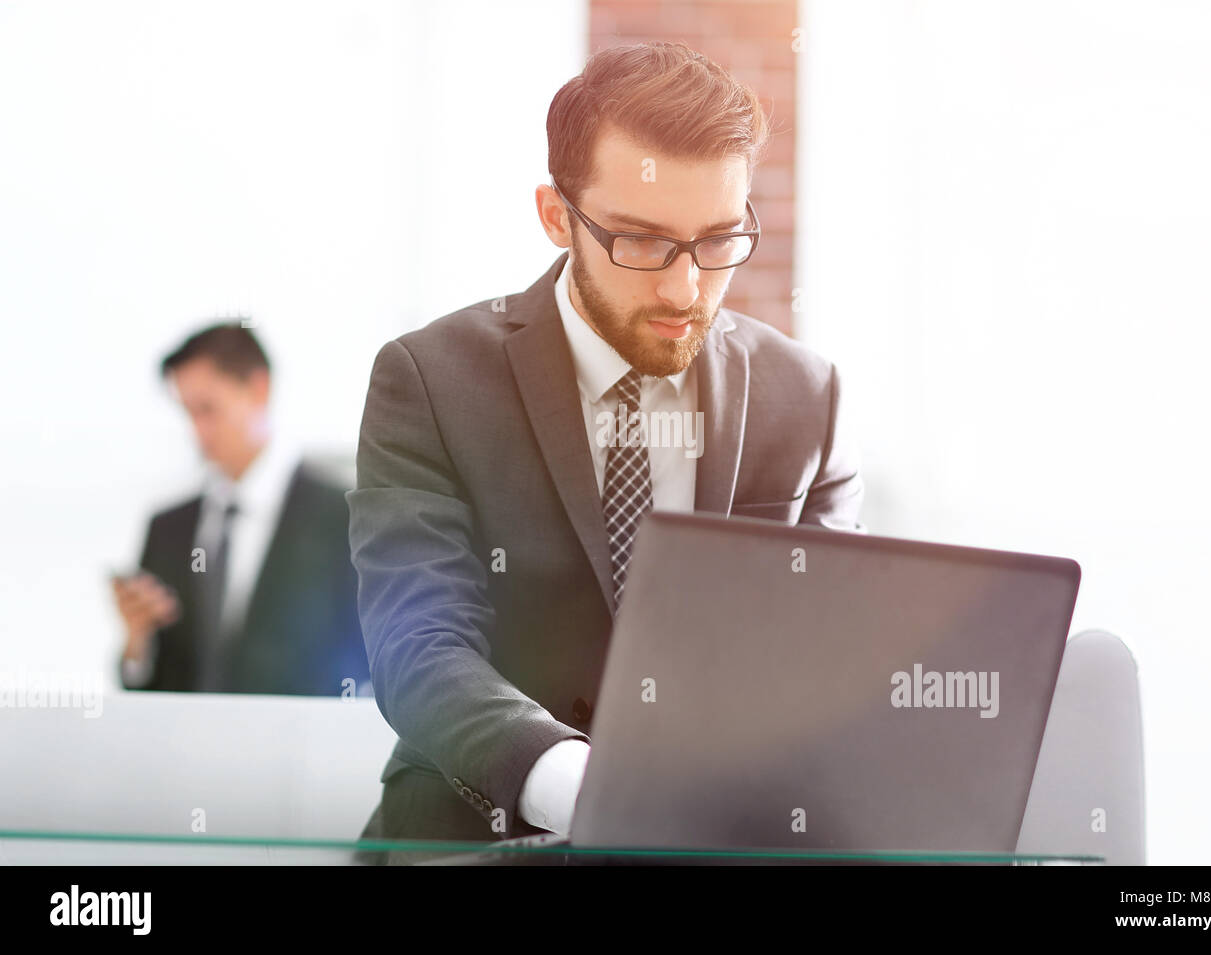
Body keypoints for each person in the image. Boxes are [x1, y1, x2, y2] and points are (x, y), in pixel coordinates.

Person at [348, 41, 864, 859]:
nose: (682, 288)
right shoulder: (429, 381)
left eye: (719, 240)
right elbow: (418, 647)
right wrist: (576, 785)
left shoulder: (805, 397)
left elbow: (828, 654)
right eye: (642, 241)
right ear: (558, 216)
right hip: (475, 835)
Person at [113, 323, 370, 696]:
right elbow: (155, 684)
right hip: (186, 750)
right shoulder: (168, 528)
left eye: (208, 409)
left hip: (299, 748)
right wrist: (137, 643)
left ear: (258, 389)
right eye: (187, 412)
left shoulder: (342, 517)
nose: (197, 431)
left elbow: (364, 664)